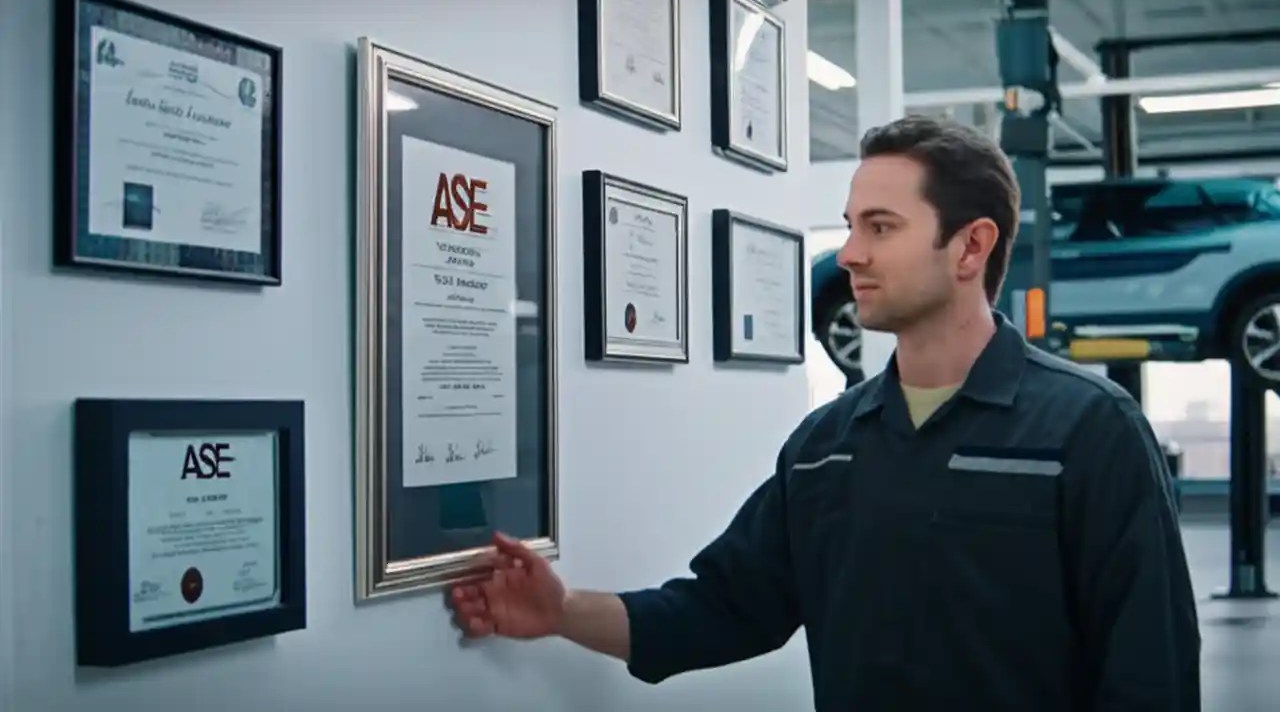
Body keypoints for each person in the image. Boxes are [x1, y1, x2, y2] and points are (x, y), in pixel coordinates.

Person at [448, 115, 1202, 711]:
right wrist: (560, 611)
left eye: (880, 227)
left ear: (971, 247)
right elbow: (721, 608)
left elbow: (1150, 677)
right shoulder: (827, 448)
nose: (848, 253)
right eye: (849, 226)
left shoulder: (1089, 432)